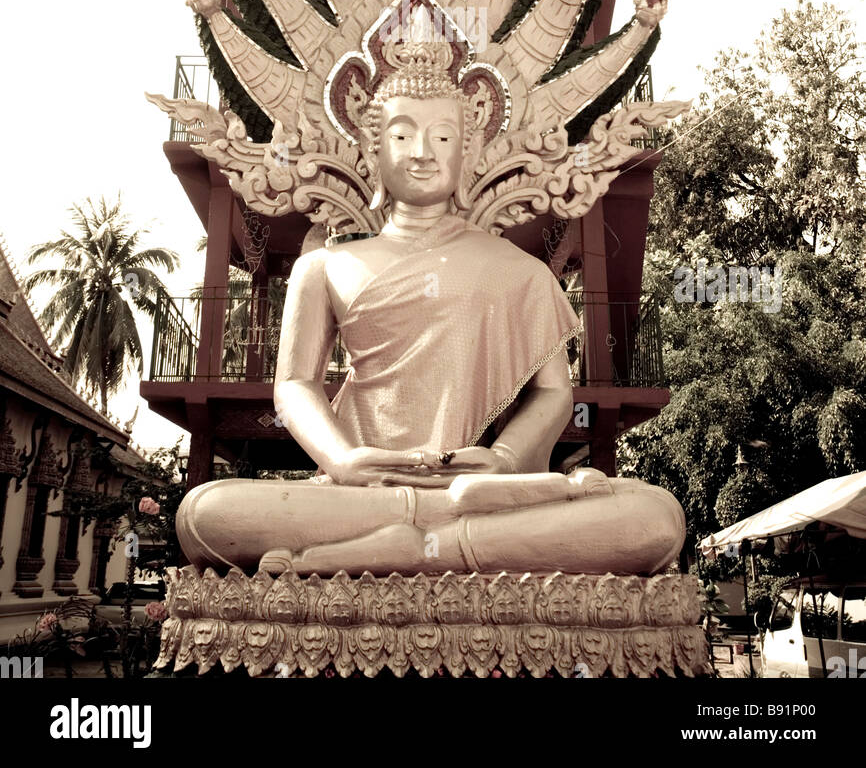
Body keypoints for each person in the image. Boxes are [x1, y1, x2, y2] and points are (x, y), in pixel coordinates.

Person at [176, 42, 685, 577]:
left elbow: (554, 392)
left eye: (443, 137)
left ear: (466, 156)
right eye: (401, 135)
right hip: (365, 494)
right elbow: (295, 385)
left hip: (481, 486)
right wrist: (342, 462)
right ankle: (442, 538)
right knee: (206, 513)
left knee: (656, 518)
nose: (422, 151)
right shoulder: (325, 267)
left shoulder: (521, 271)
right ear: (374, 153)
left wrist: (506, 460)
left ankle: (414, 545)